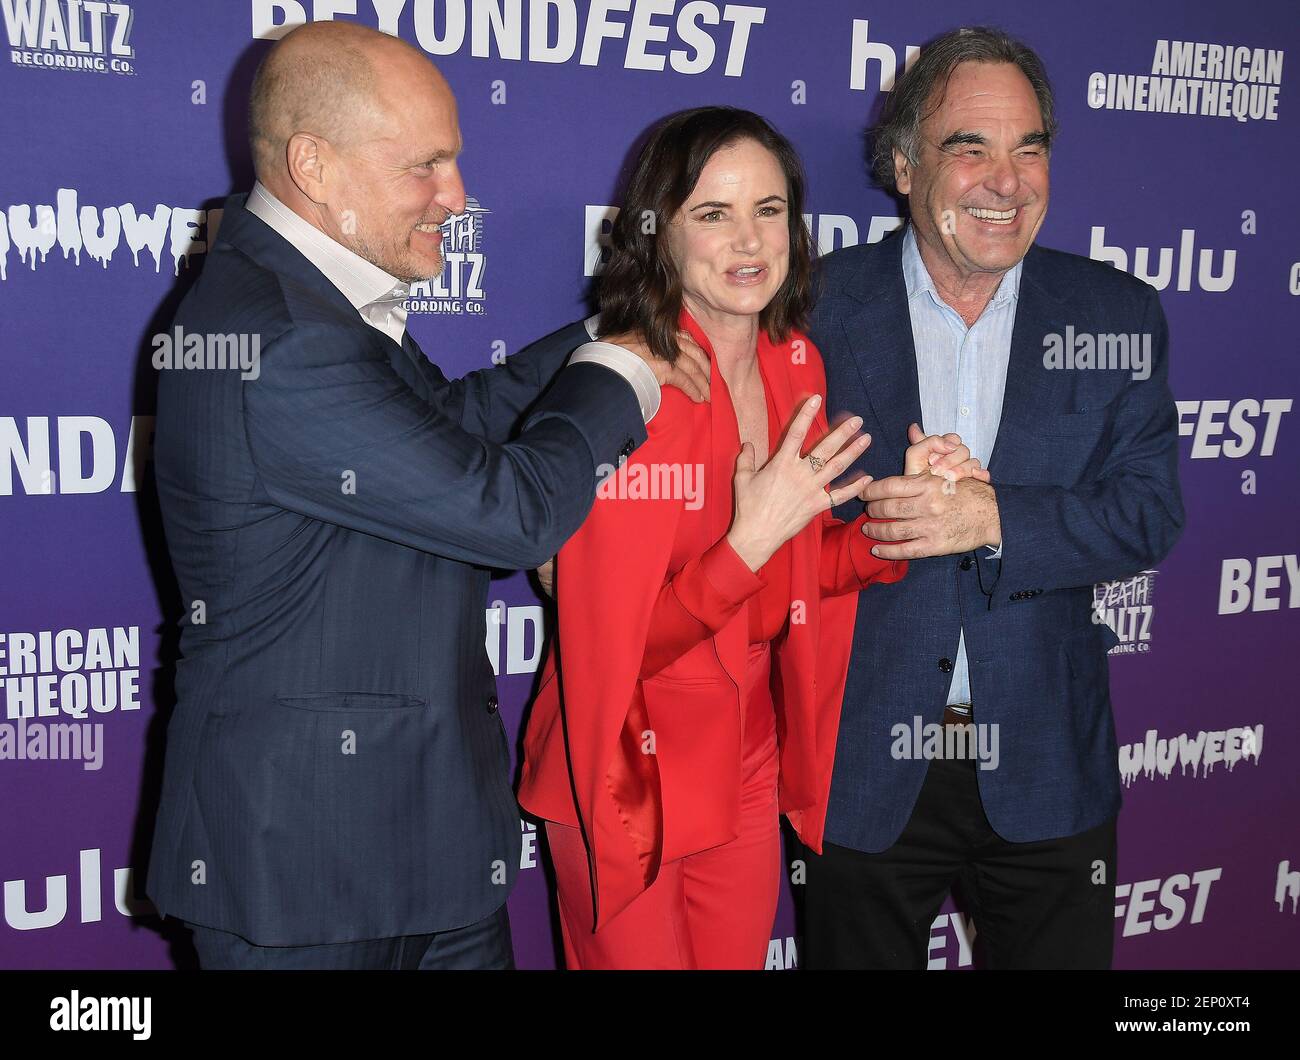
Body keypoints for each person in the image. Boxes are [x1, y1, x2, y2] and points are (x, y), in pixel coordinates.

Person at [144, 21, 710, 970]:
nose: (456, 196)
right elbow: (509, 512)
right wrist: (618, 371)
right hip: (306, 880)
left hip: (423, 856)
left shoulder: (304, 297)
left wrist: (612, 334)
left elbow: (446, 421)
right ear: (313, 166)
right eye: (427, 166)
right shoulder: (281, 337)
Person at [516, 107, 988, 969]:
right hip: (628, 773)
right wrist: (748, 542)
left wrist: (902, 522)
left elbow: (793, 579)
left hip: (744, 762)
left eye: (770, 210)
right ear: (658, 234)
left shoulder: (794, 362)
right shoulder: (627, 384)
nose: (749, 240)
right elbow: (613, 648)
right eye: (713, 213)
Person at [802, 27, 1185, 969]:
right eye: (968, 147)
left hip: (1049, 761)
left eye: (1029, 148)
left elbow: (1149, 512)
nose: (1005, 182)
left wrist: (992, 517)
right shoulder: (809, 306)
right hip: (859, 762)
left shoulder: (1116, 314)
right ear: (902, 164)